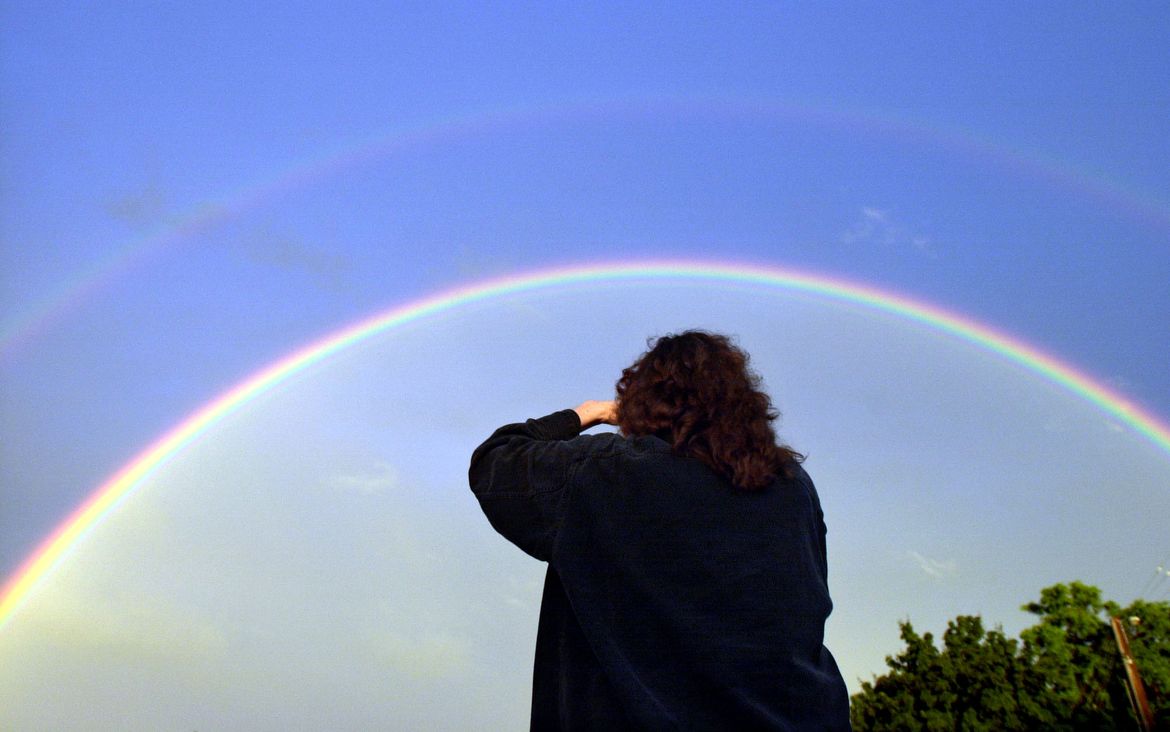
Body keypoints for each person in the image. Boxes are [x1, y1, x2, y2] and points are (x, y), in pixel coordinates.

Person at [469, 330, 851, 731]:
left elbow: (495, 462)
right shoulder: (794, 488)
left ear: (643, 401)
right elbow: (811, 603)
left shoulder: (604, 472)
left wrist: (587, 413)